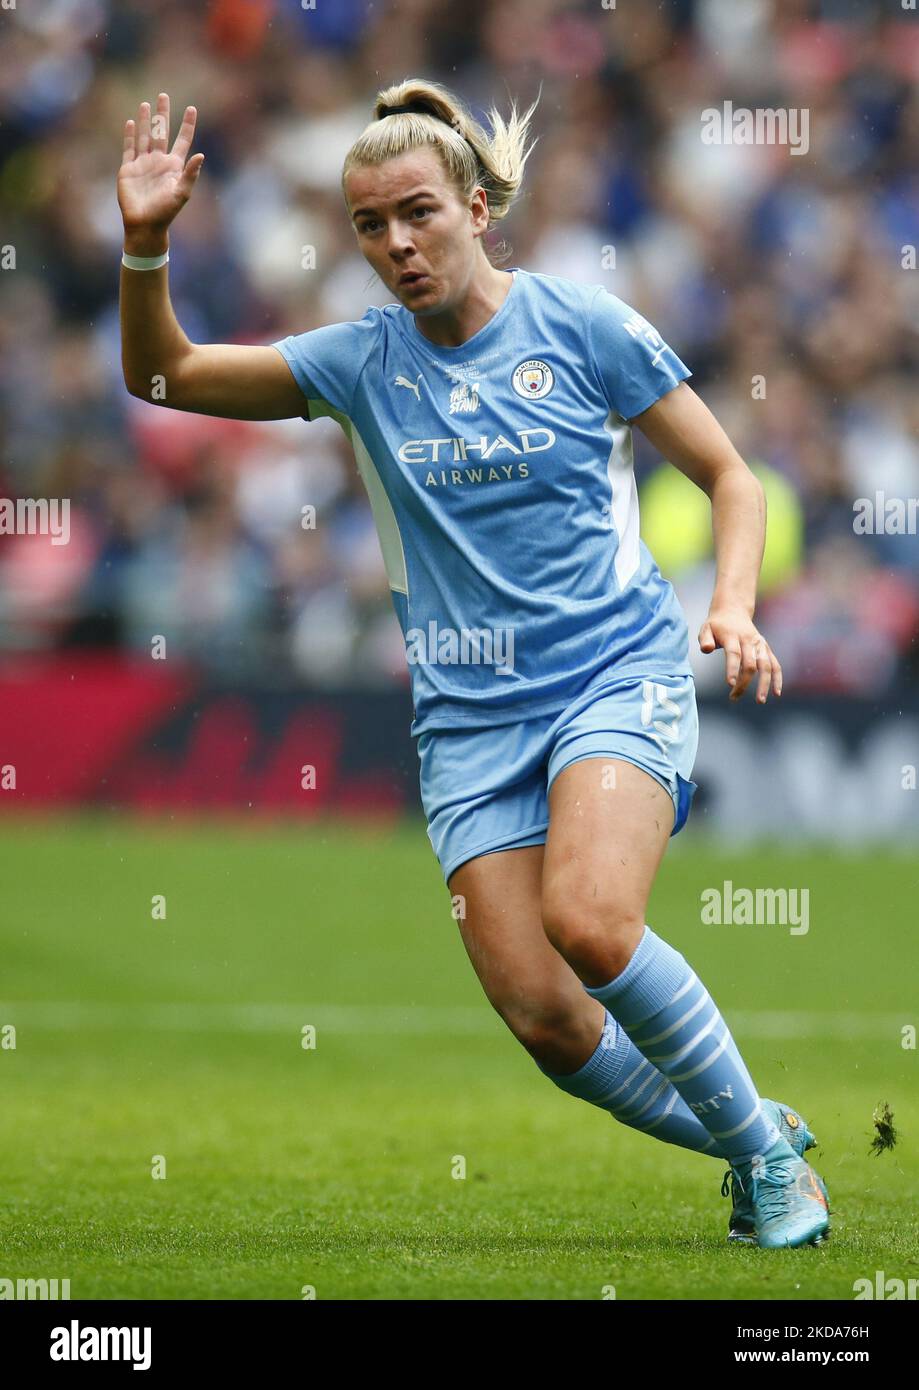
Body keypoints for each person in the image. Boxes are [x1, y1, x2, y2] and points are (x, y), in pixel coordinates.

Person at [118, 80, 830, 1250]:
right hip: (467, 724)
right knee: (546, 1018)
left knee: (592, 923)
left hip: (613, 673)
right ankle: (751, 1120)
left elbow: (733, 478)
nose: (396, 245)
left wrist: (736, 606)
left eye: (419, 213)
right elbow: (164, 379)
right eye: (369, 226)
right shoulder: (357, 364)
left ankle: (764, 1164)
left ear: (478, 207)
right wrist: (146, 248)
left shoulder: (584, 327)